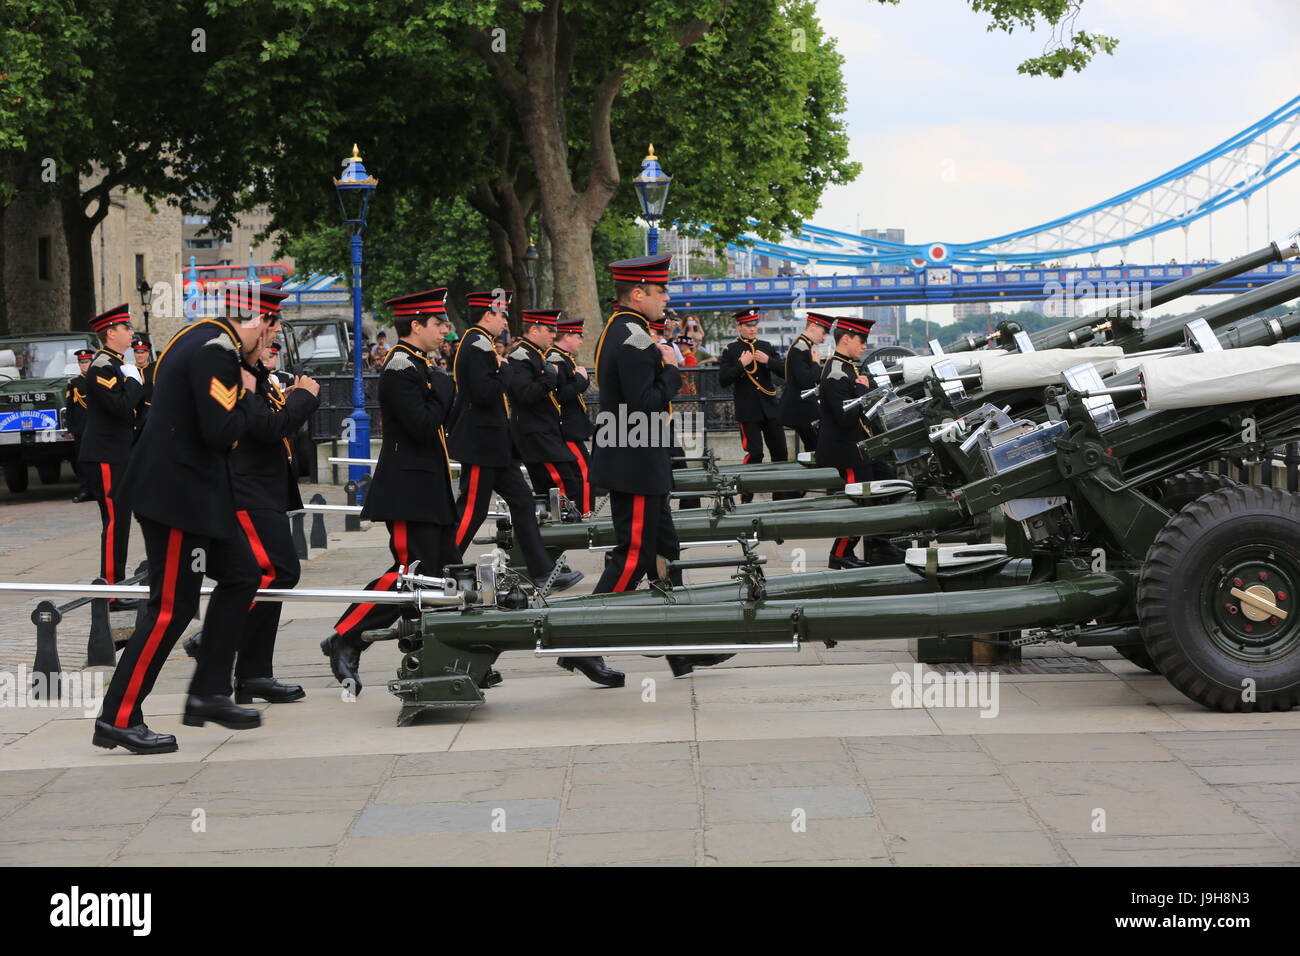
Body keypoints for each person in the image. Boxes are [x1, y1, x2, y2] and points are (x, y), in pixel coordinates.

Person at [93, 284, 272, 755]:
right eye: (272, 332)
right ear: (257, 322)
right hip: (176, 497)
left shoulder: (201, 338)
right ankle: (118, 717)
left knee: (242, 575)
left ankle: (209, 691)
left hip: (196, 496)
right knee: (171, 609)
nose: (270, 343)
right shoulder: (217, 352)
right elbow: (221, 432)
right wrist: (250, 392)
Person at [587, 254, 730, 682]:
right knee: (633, 556)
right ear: (638, 294)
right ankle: (581, 641)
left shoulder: (625, 330)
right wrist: (672, 369)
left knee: (666, 550)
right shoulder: (633, 337)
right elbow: (645, 402)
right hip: (633, 461)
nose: (666, 298)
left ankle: (681, 645)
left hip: (639, 457)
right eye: (660, 291)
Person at [322, 289, 468, 696]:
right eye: (438, 323)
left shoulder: (421, 366)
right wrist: (444, 386)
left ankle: (443, 654)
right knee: (412, 575)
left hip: (429, 487)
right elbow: (423, 424)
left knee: (445, 576)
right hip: (408, 490)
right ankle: (346, 636)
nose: (445, 330)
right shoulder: (400, 368)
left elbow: (445, 421)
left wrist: (444, 387)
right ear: (415, 325)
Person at [447, 291, 581, 591]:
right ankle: (442, 565)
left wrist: (501, 367)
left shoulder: (482, 343)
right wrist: (505, 368)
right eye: (502, 315)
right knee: (471, 511)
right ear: (488, 315)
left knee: (522, 502)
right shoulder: (477, 344)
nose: (506, 321)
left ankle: (542, 570)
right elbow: (485, 393)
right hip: (481, 443)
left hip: (495, 444)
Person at [815, 316, 898, 569]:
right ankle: (840, 554)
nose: (864, 346)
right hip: (845, 449)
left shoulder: (848, 367)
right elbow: (844, 416)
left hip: (859, 445)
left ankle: (881, 543)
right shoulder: (836, 372)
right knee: (860, 500)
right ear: (846, 339)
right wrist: (862, 391)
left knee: (890, 483)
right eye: (861, 341)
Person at [80, 304, 147, 612]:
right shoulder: (102, 366)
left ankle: (116, 585)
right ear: (111, 333)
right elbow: (120, 407)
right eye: (126, 328)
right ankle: (110, 590)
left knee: (120, 520)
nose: (131, 332)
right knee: (114, 521)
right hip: (106, 454)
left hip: (119, 452)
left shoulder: (117, 364)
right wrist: (133, 382)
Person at [506, 309, 583, 511]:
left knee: (564, 480)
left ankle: (556, 524)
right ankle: (565, 525)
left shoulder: (534, 353)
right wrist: (550, 377)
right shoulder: (520, 356)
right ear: (534, 329)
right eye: (549, 330)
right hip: (535, 433)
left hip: (545, 430)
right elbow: (525, 394)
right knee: (563, 482)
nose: (553, 335)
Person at [718, 308, 788, 502]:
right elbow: (723, 379)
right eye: (748, 325)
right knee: (755, 453)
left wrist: (768, 361)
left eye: (755, 325)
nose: (752, 329)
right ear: (739, 326)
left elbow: (785, 371)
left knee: (780, 453)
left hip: (770, 408)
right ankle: (745, 496)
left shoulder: (766, 346)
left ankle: (781, 497)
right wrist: (741, 364)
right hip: (748, 410)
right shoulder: (731, 349)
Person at [547, 316, 596, 514]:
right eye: (578, 336)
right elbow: (559, 395)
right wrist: (581, 380)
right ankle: (586, 513)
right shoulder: (555, 358)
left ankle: (582, 512)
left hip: (571, 426)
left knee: (581, 472)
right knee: (585, 471)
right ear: (567, 336)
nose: (581, 341)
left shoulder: (563, 357)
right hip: (566, 427)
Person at [778, 312, 833, 455]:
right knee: (817, 448)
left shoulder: (803, 345)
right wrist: (815, 363)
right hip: (801, 410)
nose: (824, 337)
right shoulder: (801, 348)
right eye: (823, 332)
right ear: (812, 327)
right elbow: (806, 380)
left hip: (803, 409)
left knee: (815, 447)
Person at [65, 348, 94, 502]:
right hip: (81, 428)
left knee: (97, 460)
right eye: (81, 362)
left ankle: (98, 490)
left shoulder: (97, 380)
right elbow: (70, 407)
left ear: (91, 362)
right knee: (82, 461)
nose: (84, 365)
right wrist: (71, 427)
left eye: (86, 362)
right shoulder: (74, 383)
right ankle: (85, 490)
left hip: (97, 427)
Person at [130, 333, 156, 441]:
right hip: (135, 416)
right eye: (137, 352)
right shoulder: (129, 370)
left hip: (152, 414)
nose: (139, 355)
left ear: (148, 353)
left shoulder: (155, 368)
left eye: (143, 352)